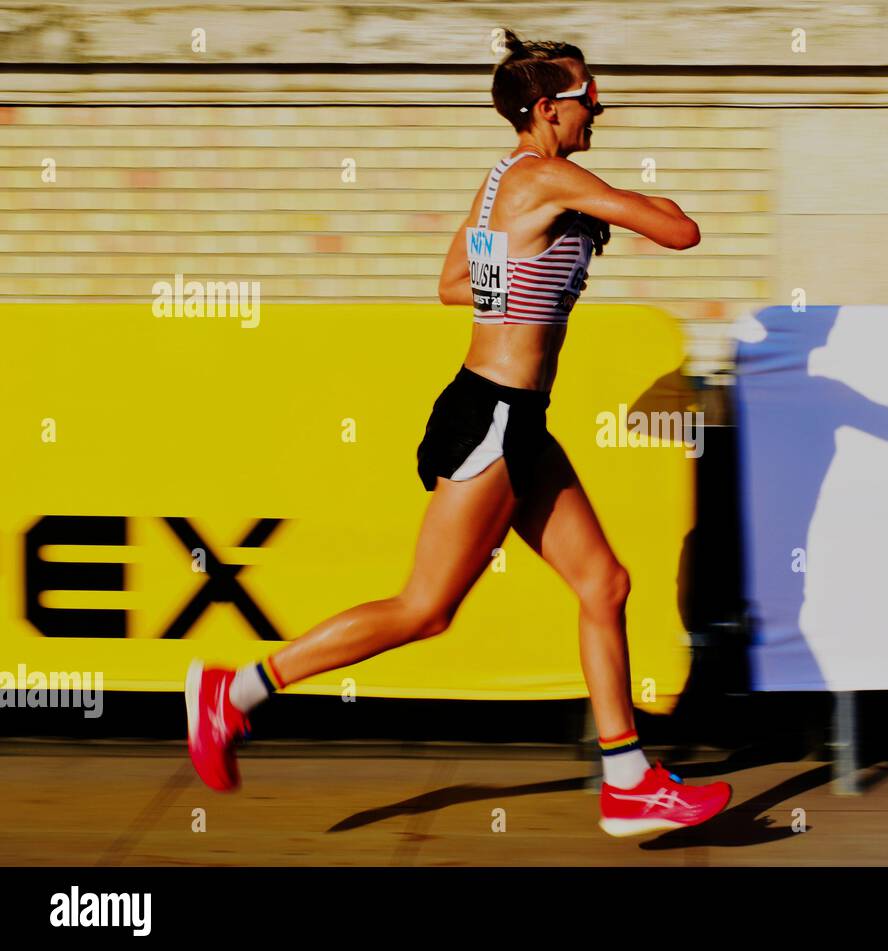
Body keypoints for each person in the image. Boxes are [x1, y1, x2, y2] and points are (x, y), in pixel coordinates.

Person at [185, 28, 732, 837]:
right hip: (495, 418)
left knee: (604, 585)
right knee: (426, 608)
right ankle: (233, 693)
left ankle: (627, 781)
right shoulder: (547, 174)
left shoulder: (508, 182)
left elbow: (453, 284)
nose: (601, 108)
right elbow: (681, 231)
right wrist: (616, 219)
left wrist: (513, 290)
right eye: (589, 97)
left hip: (514, 417)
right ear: (548, 109)